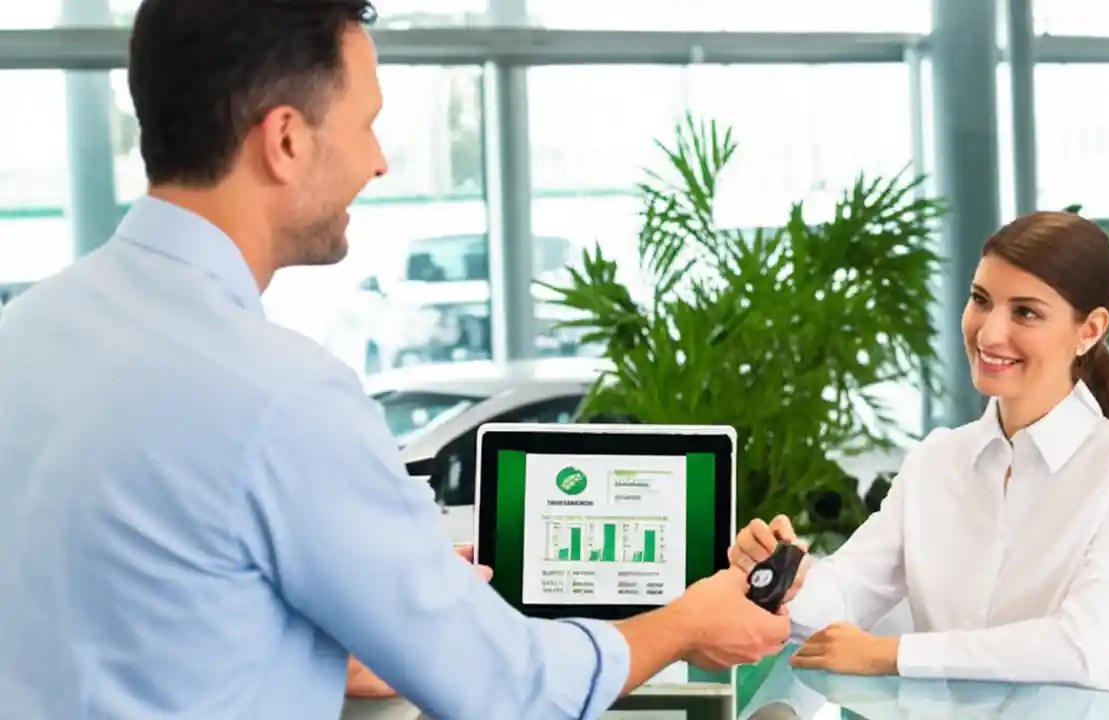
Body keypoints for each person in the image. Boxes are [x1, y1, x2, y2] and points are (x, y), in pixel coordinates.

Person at [0, 1, 790, 718]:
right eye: (368, 123)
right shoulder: (283, 398)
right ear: (285, 141)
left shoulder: (24, 335)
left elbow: (127, 614)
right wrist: (689, 621)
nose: (378, 162)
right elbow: (510, 689)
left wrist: (312, 635)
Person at [730, 211, 1109, 693]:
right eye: (981, 300)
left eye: (1025, 312)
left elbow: (1082, 647)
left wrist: (892, 654)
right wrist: (782, 574)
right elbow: (843, 596)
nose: (988, 334)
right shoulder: (937, 460)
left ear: (1089, 330)